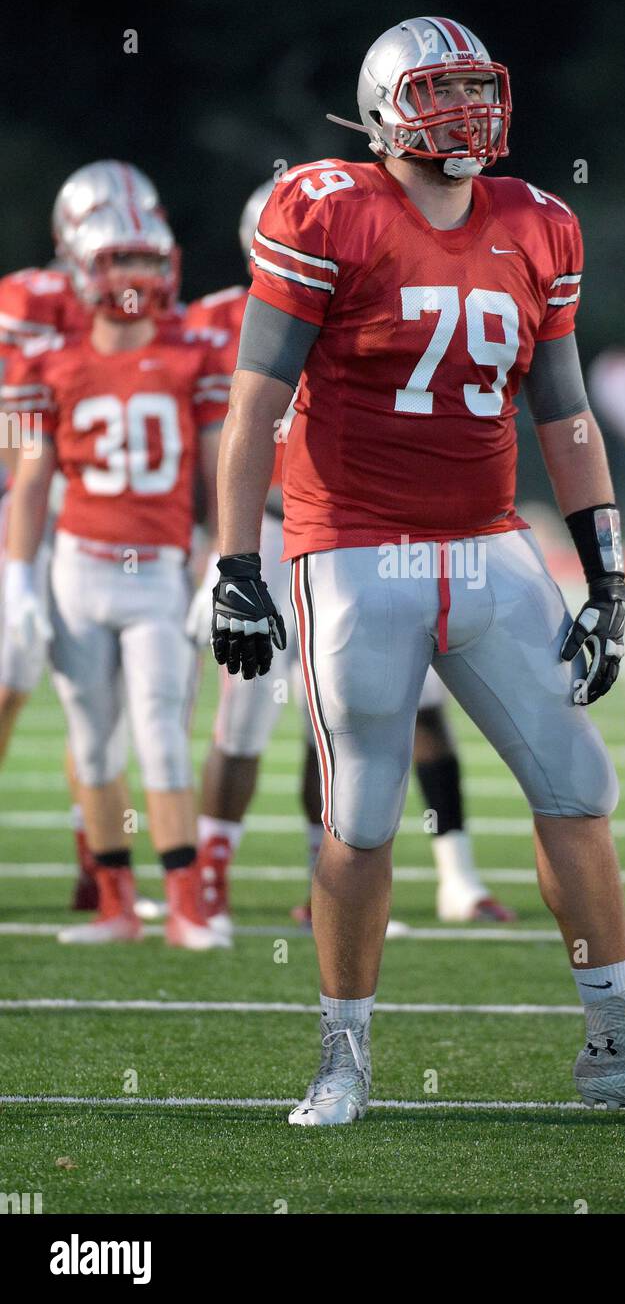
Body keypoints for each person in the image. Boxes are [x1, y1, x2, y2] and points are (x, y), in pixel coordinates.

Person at [210, 16, 625, 1127]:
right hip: (352, 543)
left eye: (474, 86)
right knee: (361, 810)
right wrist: (236, 565)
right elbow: (255, 400)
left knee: (578, 788)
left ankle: (614, 1044)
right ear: (383, 106)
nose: (465, 109)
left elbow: (564, 406)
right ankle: (342, 1054)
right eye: (437, 89)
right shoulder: (328, 210)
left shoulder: (538, 221)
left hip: (493, 541)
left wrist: (602, 566)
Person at [184, 183, 515, 934]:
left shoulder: (369, 297)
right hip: (263, 530)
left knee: (332, 714)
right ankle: (206, 879)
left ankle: (323, 880)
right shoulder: (215, 320)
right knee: (243, 717)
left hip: (345, 528)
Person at [2, 197, 231, 948]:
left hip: (160, 573)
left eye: (146, 258)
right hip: (77, 571)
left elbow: (216, 477)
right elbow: (31, 480)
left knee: (163, 735)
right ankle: (115, 905)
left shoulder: (194, 357)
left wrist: (219, 565)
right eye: (117, 259)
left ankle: (188, 906)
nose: (135, 274)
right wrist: (19, 578)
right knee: (94, 742)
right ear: (81, 269)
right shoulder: (46, 364)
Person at [0, 161, 167, 915]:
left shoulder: (151, 302)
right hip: (28, 489)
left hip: (106, 509)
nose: (126, 264)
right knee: (8, 681)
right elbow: (16, 432)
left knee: (95, 699)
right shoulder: (28, 299)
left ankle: (96, 860)